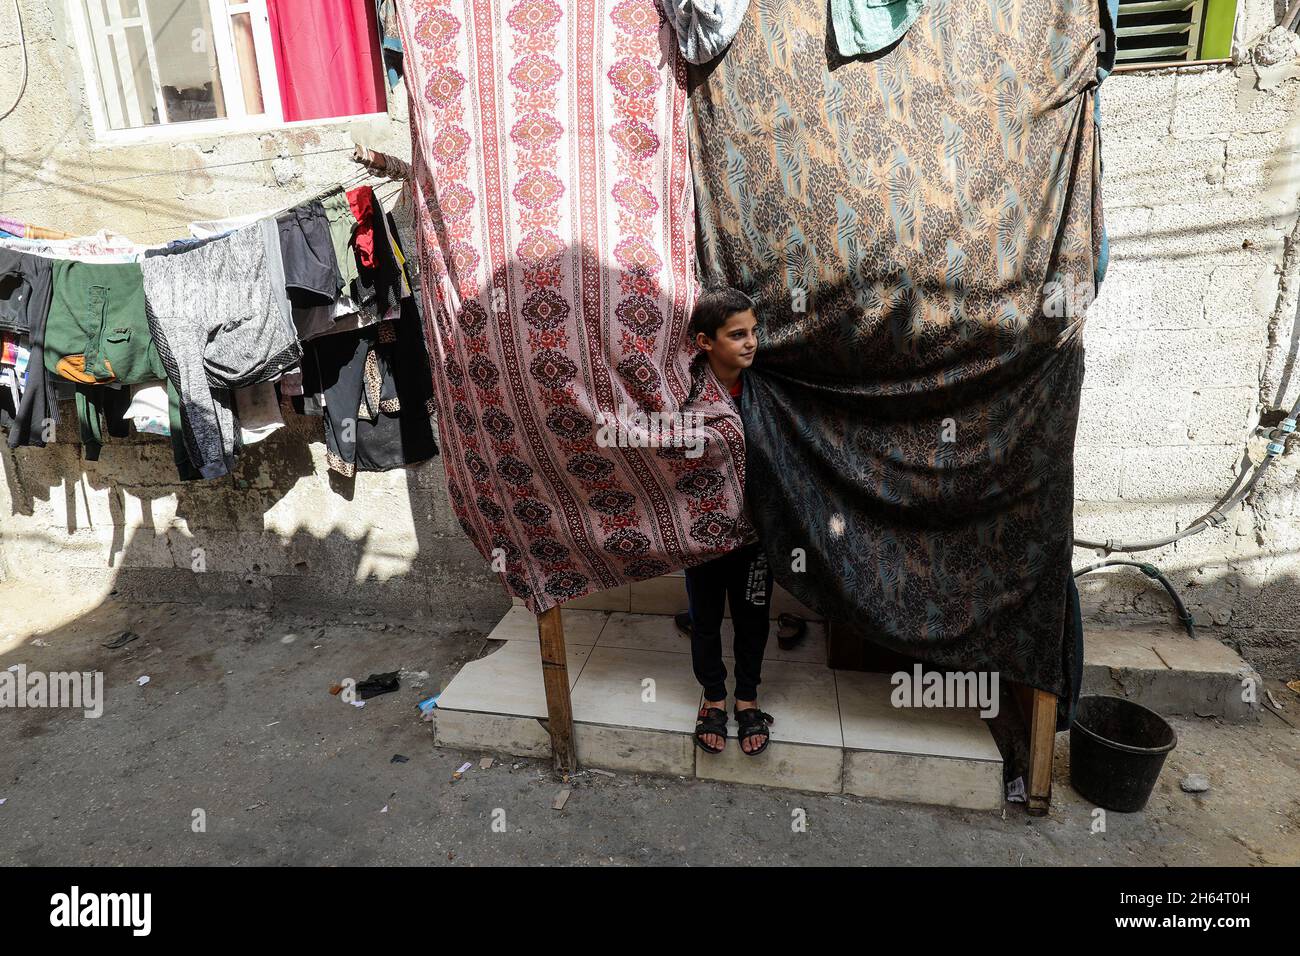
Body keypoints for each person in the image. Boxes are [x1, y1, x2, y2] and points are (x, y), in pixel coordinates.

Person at [680, 284, 775, 756]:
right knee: (704, 617)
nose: (751, 342)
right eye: (737, 335)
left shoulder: (767, 390)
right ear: (705, 342)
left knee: (753, 617)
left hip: (755, 534)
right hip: (700, 534)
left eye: (754, 331)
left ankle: (747, 698)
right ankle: (713, 697)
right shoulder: (684, 391)